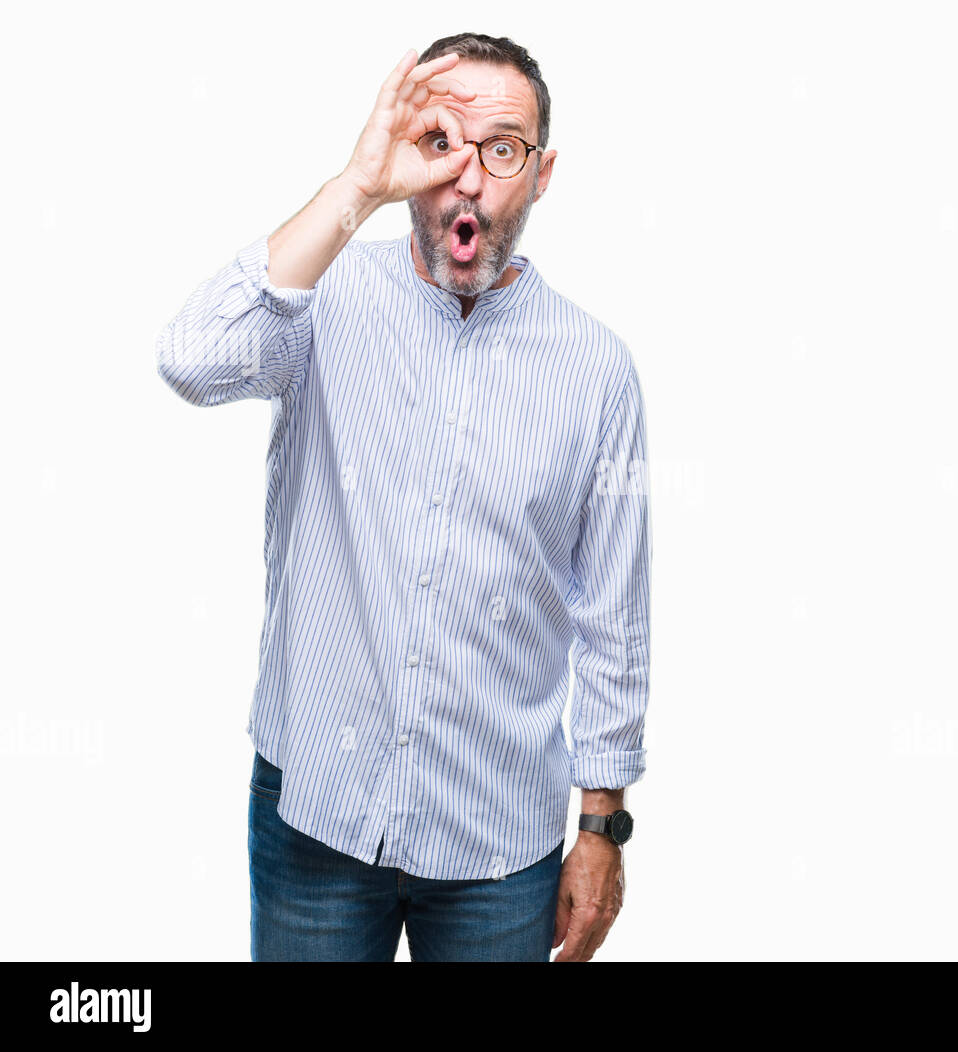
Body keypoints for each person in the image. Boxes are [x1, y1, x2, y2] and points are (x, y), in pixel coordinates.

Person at [156, 32, 652, 962]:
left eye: (501, 150)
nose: (468, 180)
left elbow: (613, 618)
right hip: (317, 819)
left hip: (498, 846)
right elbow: (189, 357)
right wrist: (356, 185)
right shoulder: (323, 302)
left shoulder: (597, 372)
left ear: (541, 175)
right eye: (438, 142)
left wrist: (602, 828)